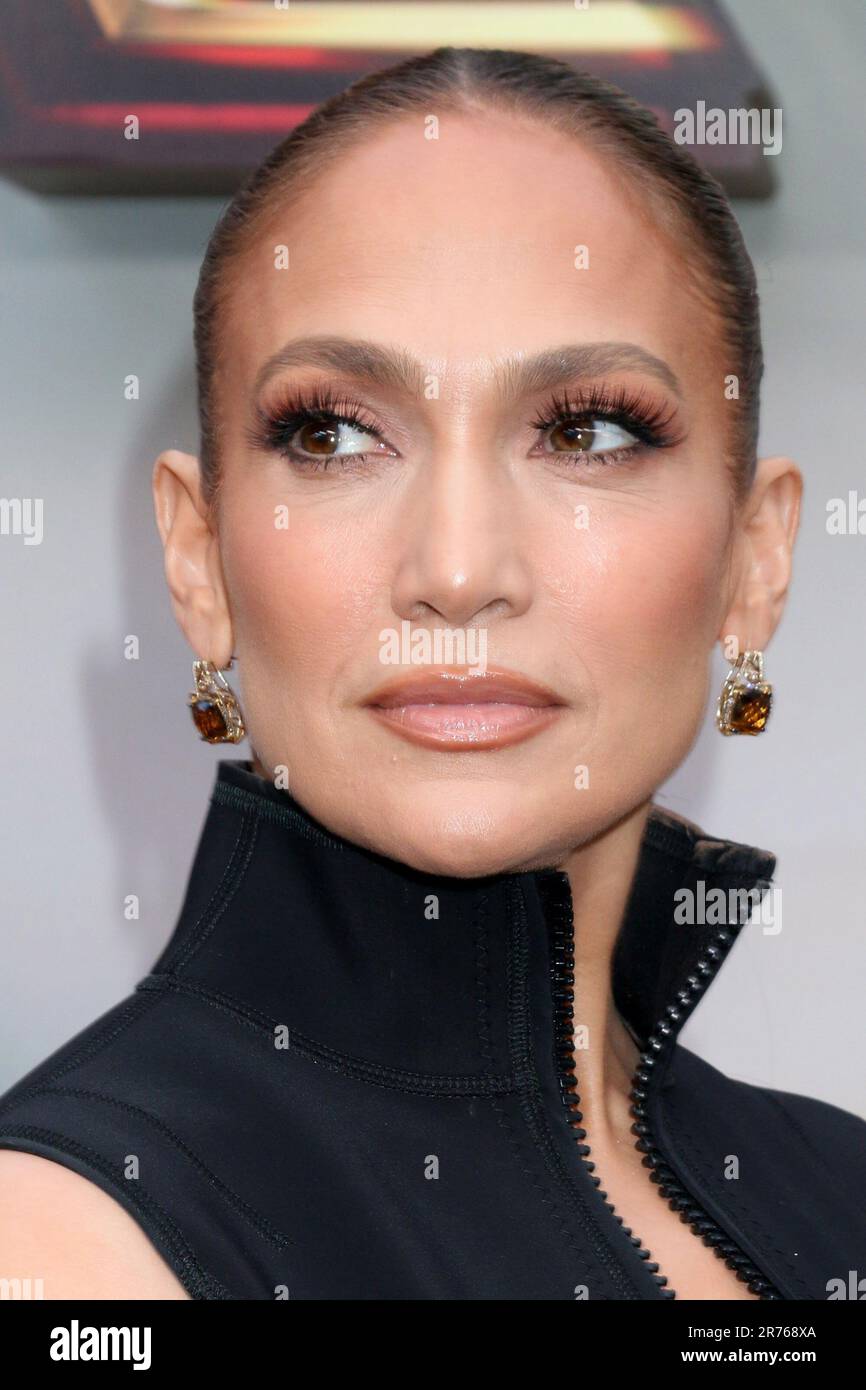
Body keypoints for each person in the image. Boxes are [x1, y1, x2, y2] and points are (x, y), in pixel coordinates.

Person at [1, 47, 863, 1302]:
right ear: (198, 561)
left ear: (754, 560)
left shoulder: (833, 1188)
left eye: (586, 431)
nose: (457, 572)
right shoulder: (60, 1248)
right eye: (335, 434)